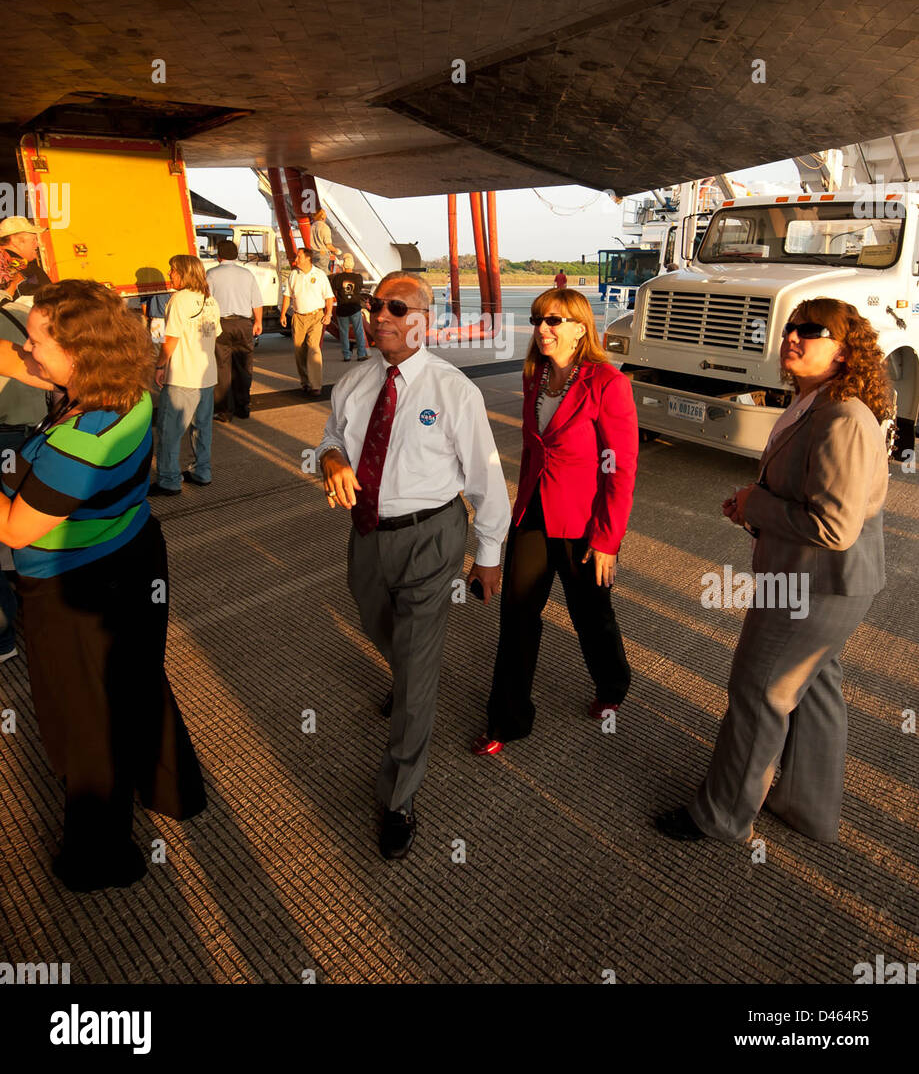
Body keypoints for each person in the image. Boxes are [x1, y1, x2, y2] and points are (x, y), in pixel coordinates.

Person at [656, 298, 892, 845]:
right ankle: (807, 808)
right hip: (813, 580)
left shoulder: (843, 416)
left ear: (844, 349)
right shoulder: (813, 403)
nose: (793, 337)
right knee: (814, 689)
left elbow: (834, 525)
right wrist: (754, 505)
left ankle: (720, 817)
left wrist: (754, 503)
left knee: (760, 691)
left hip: (815, 586)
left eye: (811, 331)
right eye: (790, 328)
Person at [0, 280, 206, 890]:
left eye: (38, 340)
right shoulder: (127, 390)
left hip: (77, 587)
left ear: (79, 353)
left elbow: (15, 529)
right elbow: (33, 370)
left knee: (86, 719)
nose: (29, 352)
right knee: (139, 681)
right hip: (134, 555)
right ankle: (172, 786)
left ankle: (100, 855)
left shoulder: (80, 440)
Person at [317, 272, 511, 859]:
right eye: (375, 306)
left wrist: (489, 554)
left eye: (395, 307)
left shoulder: (453, 391)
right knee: (383, 629)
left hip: (432, 538)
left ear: (425, 320)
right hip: (368, 535)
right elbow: (331, 440)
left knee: (418, 665)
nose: (380, 315)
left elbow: (485, 477)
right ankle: (405, 677)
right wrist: (330, 462)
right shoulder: (353, 383)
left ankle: (399, 795)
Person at [471, 288, 638, 756]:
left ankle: (612, 687)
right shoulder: (535, 375)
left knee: (591, 616)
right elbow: (531, 452)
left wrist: (607, 540)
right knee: (517, 617)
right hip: (533, 516)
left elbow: (620, 468)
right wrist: (513, 510)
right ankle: (507, 719)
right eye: (538, 319)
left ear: (581, 327)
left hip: (584, 523)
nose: (543, 328)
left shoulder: (607, 382)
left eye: (554, 320)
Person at [0, 293, 49, 664]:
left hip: (10, 436)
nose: (28, 348)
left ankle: (6, 636)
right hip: (25, 434)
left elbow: (15, 530)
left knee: (12, 539)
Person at [151, 255, 221, 495]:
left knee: (170, 430)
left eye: (172, 270)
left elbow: (170, 339)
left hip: (182, 375)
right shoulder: (210, 300)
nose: (170, 274)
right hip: (207, 375)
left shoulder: (178, 300)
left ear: (184, 273)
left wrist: (160, 366)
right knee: (202, 428)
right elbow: (214, 334)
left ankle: (169, 480)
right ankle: (202, 471)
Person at [206, 240, 263, 422]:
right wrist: (258, 322)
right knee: (244, 366)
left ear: (219, 255)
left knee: (222, 367)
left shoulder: (211, 274)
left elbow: (207, 302)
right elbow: (257, 302)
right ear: (236, 255)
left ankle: (224, 410)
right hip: (244, 323)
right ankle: (243, 406)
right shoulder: (247, 274)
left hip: (221, 325)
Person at [279, 248, 334, 397]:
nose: (296, 259)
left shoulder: (320, 275)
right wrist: (283, 314)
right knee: (299, 351)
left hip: (316, 316)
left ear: (308, 259)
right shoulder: (293, 275)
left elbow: (329, 297)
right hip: (298, 317)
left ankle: (316, 385)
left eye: (299, 256)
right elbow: (287, 295)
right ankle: (305, 381)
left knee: (313, 348)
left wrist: (328, 314)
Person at [0, 216, 51, 299]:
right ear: (16, 241)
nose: (37, 244)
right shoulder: (27, 269)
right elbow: (51, 303)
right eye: (34, 240)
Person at [330, 253, 368, 362]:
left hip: (342, 308)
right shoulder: (358, 277)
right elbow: (359, 289)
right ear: (353, 265)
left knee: (343, 333)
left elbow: (335, 290)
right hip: (355, 307)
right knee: (359, 331)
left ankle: (346, 355)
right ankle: (361, 354)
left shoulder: (338, 277)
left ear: (343, 265)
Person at [309, 209, 340, 274]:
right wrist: (337, 251)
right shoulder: (324, 227)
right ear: (322, 216)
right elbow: (328, 245)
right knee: (327, 276)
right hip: (323, 255)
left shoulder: (312, 226)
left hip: (314, 254)